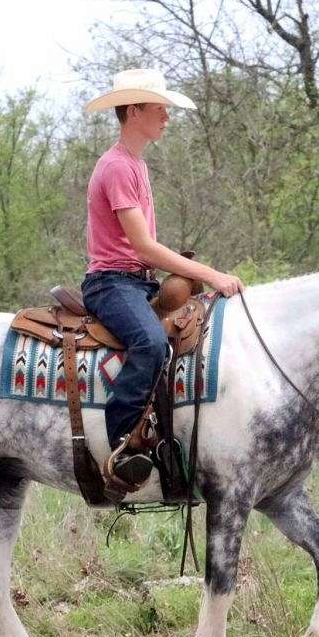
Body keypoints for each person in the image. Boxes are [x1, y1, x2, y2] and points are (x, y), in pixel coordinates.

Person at [81, 68, 244, 488]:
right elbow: (143, 247)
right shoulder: (117, 167)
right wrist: (209, 274)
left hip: (138, 282)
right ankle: (117, 447)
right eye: (160, 109)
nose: (167, 117)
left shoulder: (136, 166)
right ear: (134, 111)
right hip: (111, 283)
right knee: (150, 343)